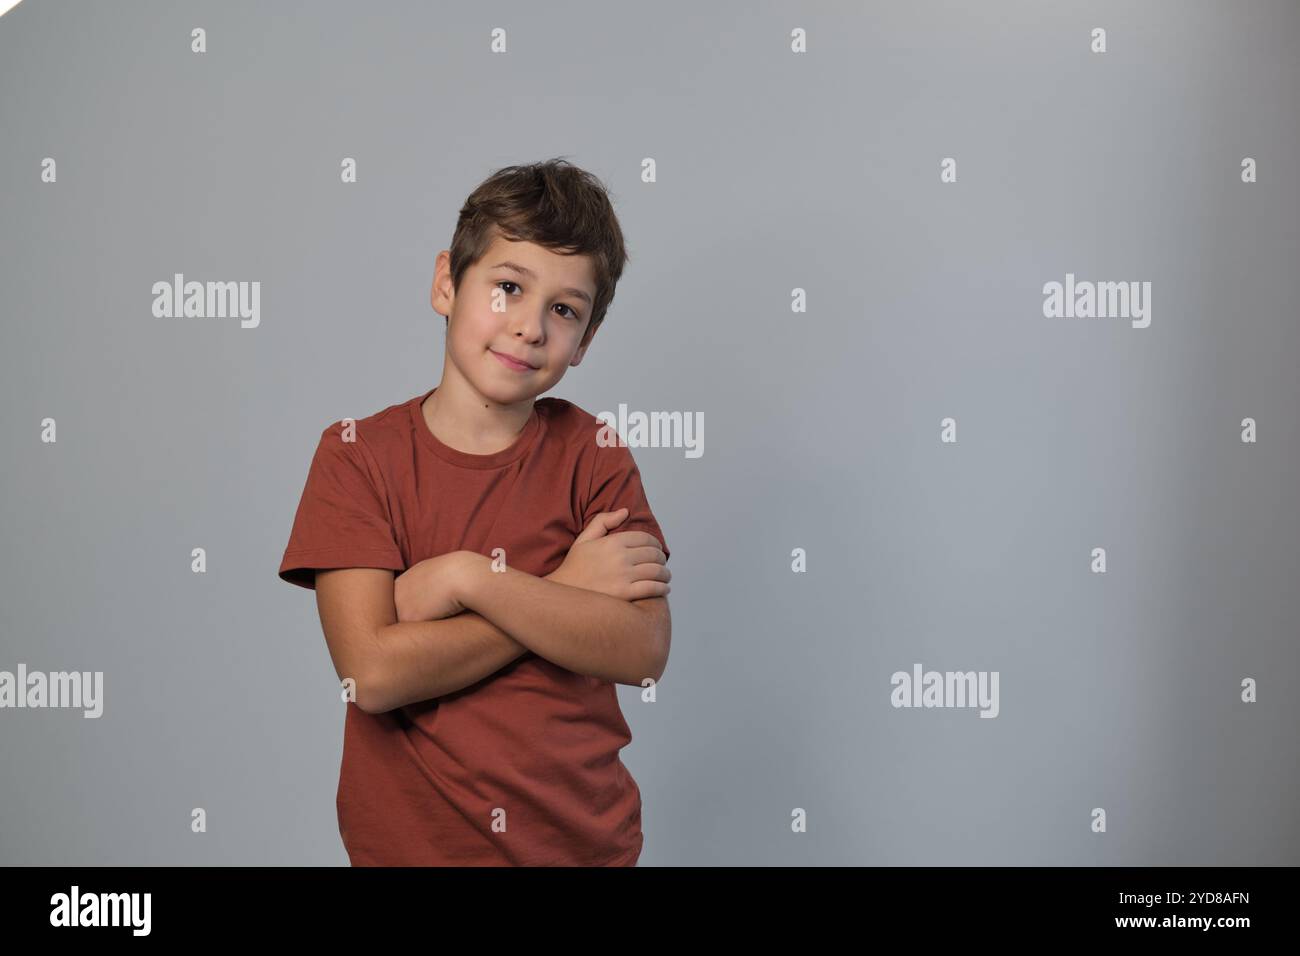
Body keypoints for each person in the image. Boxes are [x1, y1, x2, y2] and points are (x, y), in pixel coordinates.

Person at [277, 158, 672, 866]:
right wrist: (561, 590)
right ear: (446, 284)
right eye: (508, 288)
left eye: (564, 310)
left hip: (582, 847)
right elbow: (372, 674)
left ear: (585, 341)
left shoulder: (594, 454)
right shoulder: (357, 456)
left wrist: (465, 581)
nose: (529, 327)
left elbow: (642, 652)